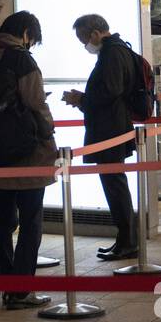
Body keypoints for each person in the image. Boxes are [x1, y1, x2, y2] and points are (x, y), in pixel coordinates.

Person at [0, 10, 56, 310]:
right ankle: (22, 289)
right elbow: (35, 103)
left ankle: (8, 287)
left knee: (0, 223)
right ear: (27, 33)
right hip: (26, 152)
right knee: (31, 221)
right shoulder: (22, 60)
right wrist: (48, 132)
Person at [62, 15, 141, 263]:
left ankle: (128, 241)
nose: (85, 44)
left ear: (95, 33)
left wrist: (81, 100)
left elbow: (110, 90)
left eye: (84, 39)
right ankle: (125, 239)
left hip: (110, 128)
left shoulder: (112, 54)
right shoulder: (118, 50)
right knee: (114, 183)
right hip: (113, 125)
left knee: (114, 184)